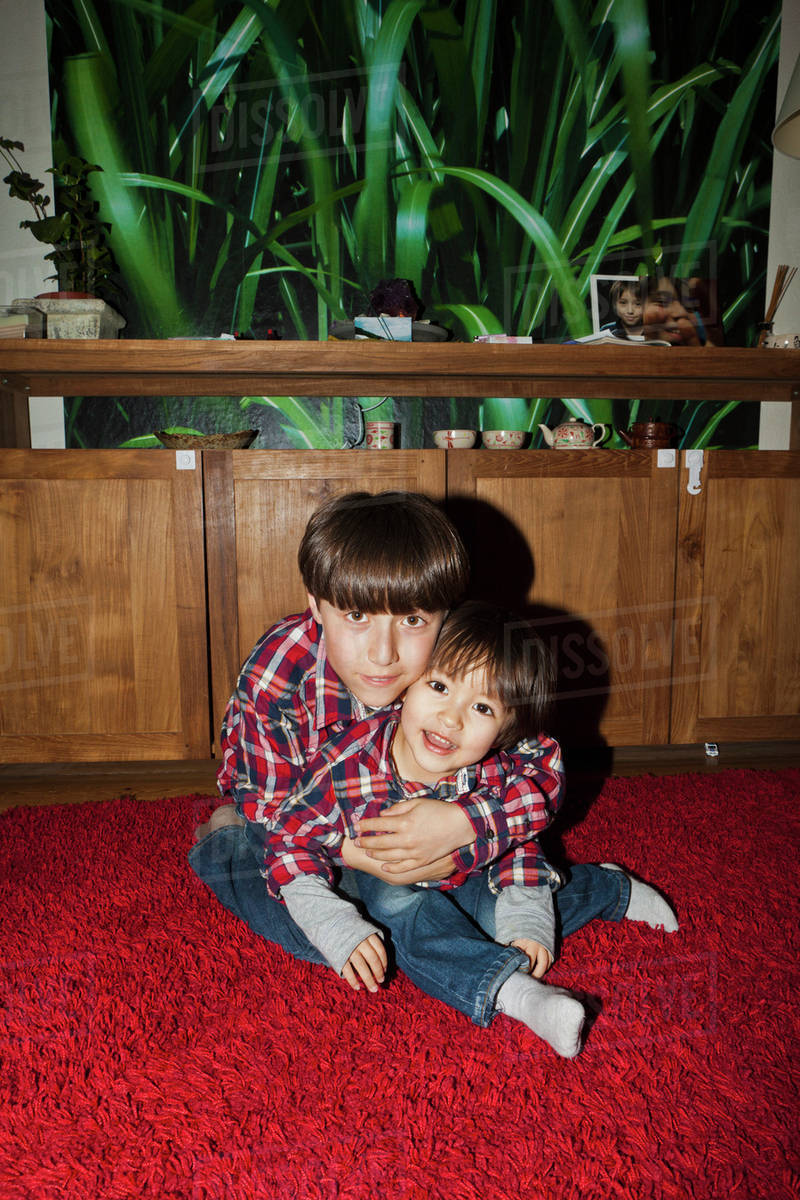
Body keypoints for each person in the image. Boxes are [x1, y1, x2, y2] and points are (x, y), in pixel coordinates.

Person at [189, 490, 676, 1058]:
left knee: (459, 910)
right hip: (317, 833)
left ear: (447, 615)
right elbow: (263, 802)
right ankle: (524, 945)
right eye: (355, 616)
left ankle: (598, 888)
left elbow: (538, 767)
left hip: (444, 828)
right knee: (273, 879)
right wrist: (352, 853)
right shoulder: (281, 671)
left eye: (414, 620)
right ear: (317, 605)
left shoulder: (460, 656)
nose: (383, 654)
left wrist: (467, 825)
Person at [261, 601, 677, 1058]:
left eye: (481, 707)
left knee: (493, 922)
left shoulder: (497, 772)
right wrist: (336, 926)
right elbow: (288, 842)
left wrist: (529, 916)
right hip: (392, 890)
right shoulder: (348, 765)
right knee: (389, 905)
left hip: (479, 877)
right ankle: (519, 996)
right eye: (438, 686)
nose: (451, 718)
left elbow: (524, 849)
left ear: (505, 731)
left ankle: (606, 889)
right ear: (407, 685)